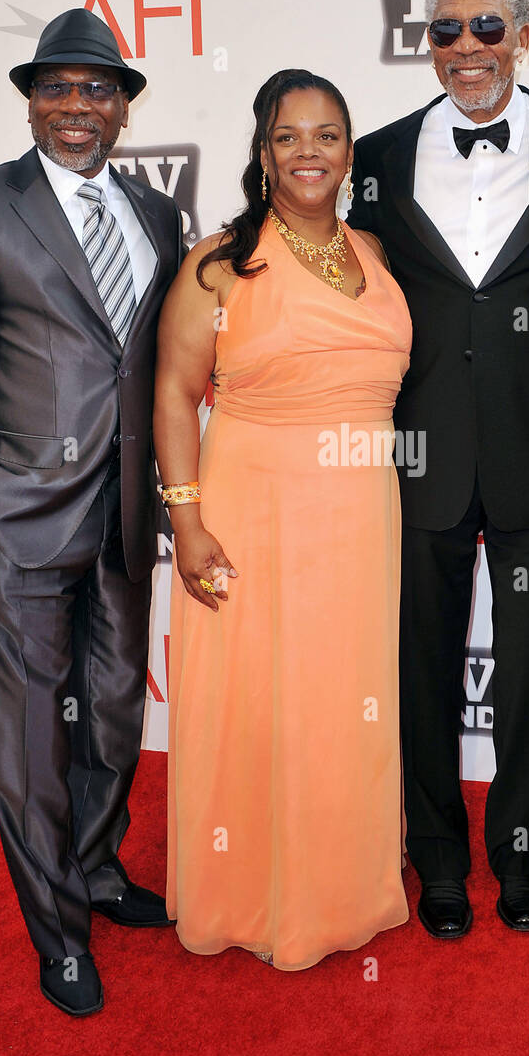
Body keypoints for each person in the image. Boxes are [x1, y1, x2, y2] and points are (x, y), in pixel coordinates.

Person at [0, 9, 183, 1016]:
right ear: (31, 99)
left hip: (121, 514)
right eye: (59, 88)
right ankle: (57, 931)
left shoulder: (157, 216)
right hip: (18, 518)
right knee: (30, 740)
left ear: (124, 105)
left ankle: (99, 869)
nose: (79, 107)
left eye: (99, 89)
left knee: (110, 714)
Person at [346, 0, 529, 939]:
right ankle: (438, 859)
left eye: (485, 28)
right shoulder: (373, 154)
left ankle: (523, 856)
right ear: (426, 45)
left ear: (521, 36)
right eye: (445, 31)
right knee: (420, 669)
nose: (466, 48)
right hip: (419, 458)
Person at [155, 69, 410, 970]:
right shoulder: (219, 264)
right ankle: (246, 893)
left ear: (350, 151)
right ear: (263, 154)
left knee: (344, 698)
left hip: (359, 515)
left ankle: (343, 883)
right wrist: (186, 521)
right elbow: (177, 396)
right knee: (255, 698)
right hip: (252, 507)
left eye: (328, 134)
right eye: (289, 136)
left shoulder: (375, 251)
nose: (310, 152)